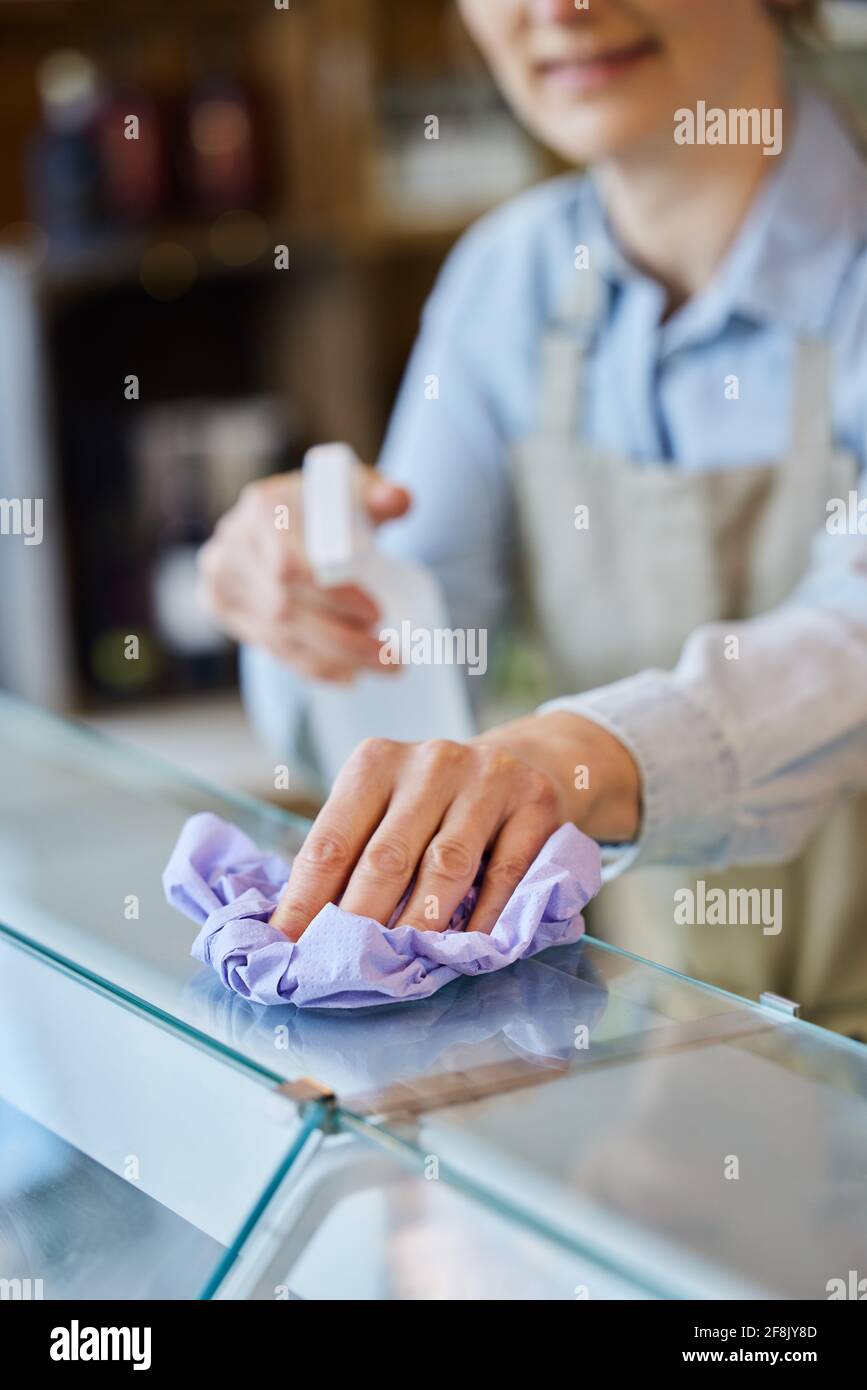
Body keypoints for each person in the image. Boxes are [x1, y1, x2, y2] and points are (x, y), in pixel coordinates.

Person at [199, 0, 867, 1035]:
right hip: (641, 1056)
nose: (560, 8)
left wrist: (571, 755)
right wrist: (312, 601)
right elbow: (402, 697)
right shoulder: (502, 286)